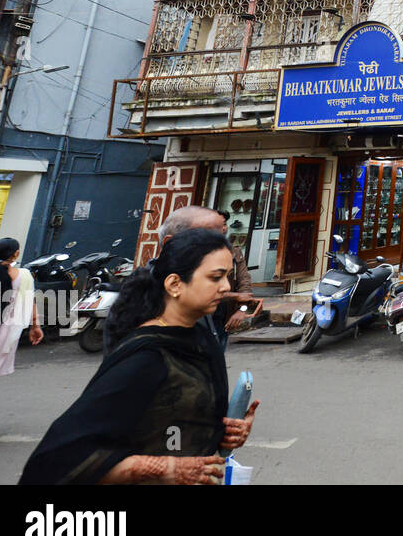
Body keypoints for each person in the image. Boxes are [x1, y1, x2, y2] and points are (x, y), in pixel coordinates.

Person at [19, 228, 259, 484]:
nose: (226, 287)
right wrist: (161, 468)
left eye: (227, 276)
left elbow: (172, 426)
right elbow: (54, 462)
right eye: (216, 277)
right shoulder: (147, 357)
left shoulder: (200, 340)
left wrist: (223, 431)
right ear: (175, 284)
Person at [155, 206, 260, 349]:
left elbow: (245, 287)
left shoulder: (232, 254)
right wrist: (235, 296)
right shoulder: (146, 308)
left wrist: (241, 309)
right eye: (215, 277)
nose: (225, 286)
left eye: (223, 225)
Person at [0, 238, 43, 450]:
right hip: (7, 335)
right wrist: (35, 326)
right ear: (14, 255)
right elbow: (29, 301)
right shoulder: (23, 276)